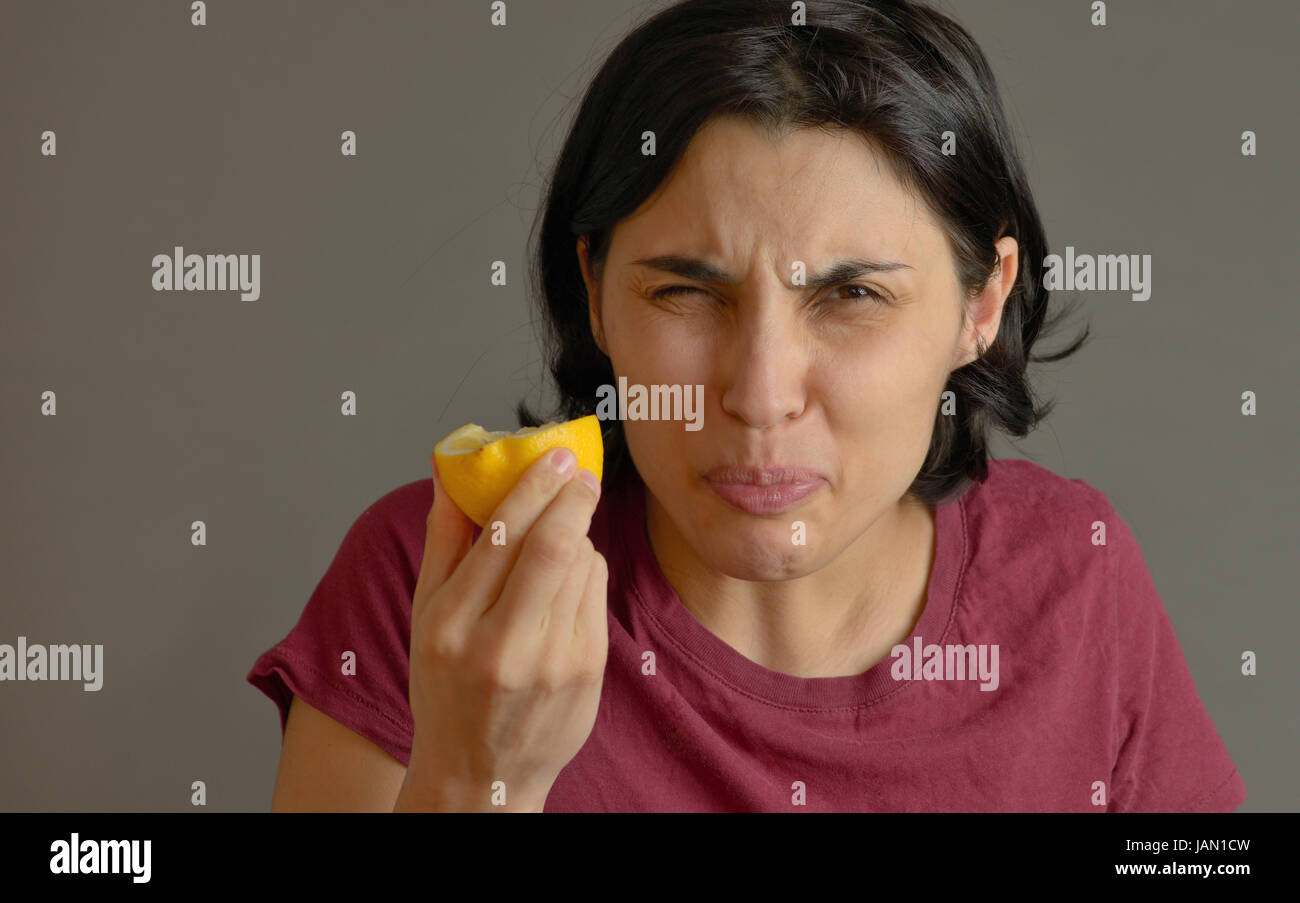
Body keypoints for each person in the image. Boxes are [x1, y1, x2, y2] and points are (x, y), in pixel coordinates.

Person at [248, 0, 1246, 812]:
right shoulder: (442, 577)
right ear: (594, 292)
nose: (758, 397)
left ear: (979, 305)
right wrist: (473, 783)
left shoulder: (1078, 573)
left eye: (851, 297)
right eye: (686, 292)